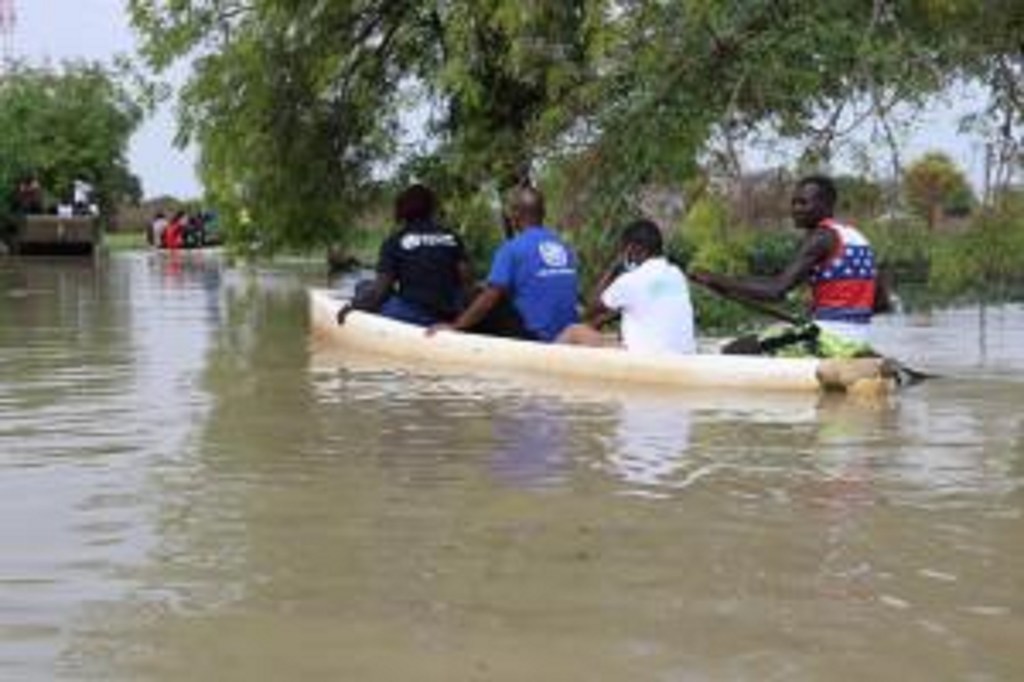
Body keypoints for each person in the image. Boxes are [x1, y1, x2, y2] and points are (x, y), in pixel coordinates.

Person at [690, 174, 889, 357]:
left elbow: (776, 291)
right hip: (857, 342)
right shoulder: (857, 238)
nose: (795, 209)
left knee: (734, 350)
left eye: (803, 203)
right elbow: (881, 303)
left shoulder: (821, 237)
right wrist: (831, 317)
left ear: (826, 205)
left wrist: (714, 278)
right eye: (794, 203)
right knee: (763, 338)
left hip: (827, 341)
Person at [428, 186, 579, 341]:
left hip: (536, 338)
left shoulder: (512, 248)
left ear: (516, 215)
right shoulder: (564, 247)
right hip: (566, 332)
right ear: (543, 213)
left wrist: (456, 326)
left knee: (475, 297)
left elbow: (490, 297)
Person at [337, 184, 472, 326]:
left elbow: (381, 291)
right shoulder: (452, 237)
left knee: (363, 286)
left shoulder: (395, 241)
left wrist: (353, 306)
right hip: (450, 313)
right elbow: (467, 283)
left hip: (412, 315)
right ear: (431, 209)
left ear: (401, 211)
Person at [557, 219, 696, 354]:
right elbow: (642, 307)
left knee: (574, 331)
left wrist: (615, 267)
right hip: (682, 358)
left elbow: (591, 308)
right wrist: (600, 321)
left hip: (646, 363)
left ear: (632, 248)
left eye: (624, 249)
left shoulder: (631, 280)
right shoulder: (676, 274)